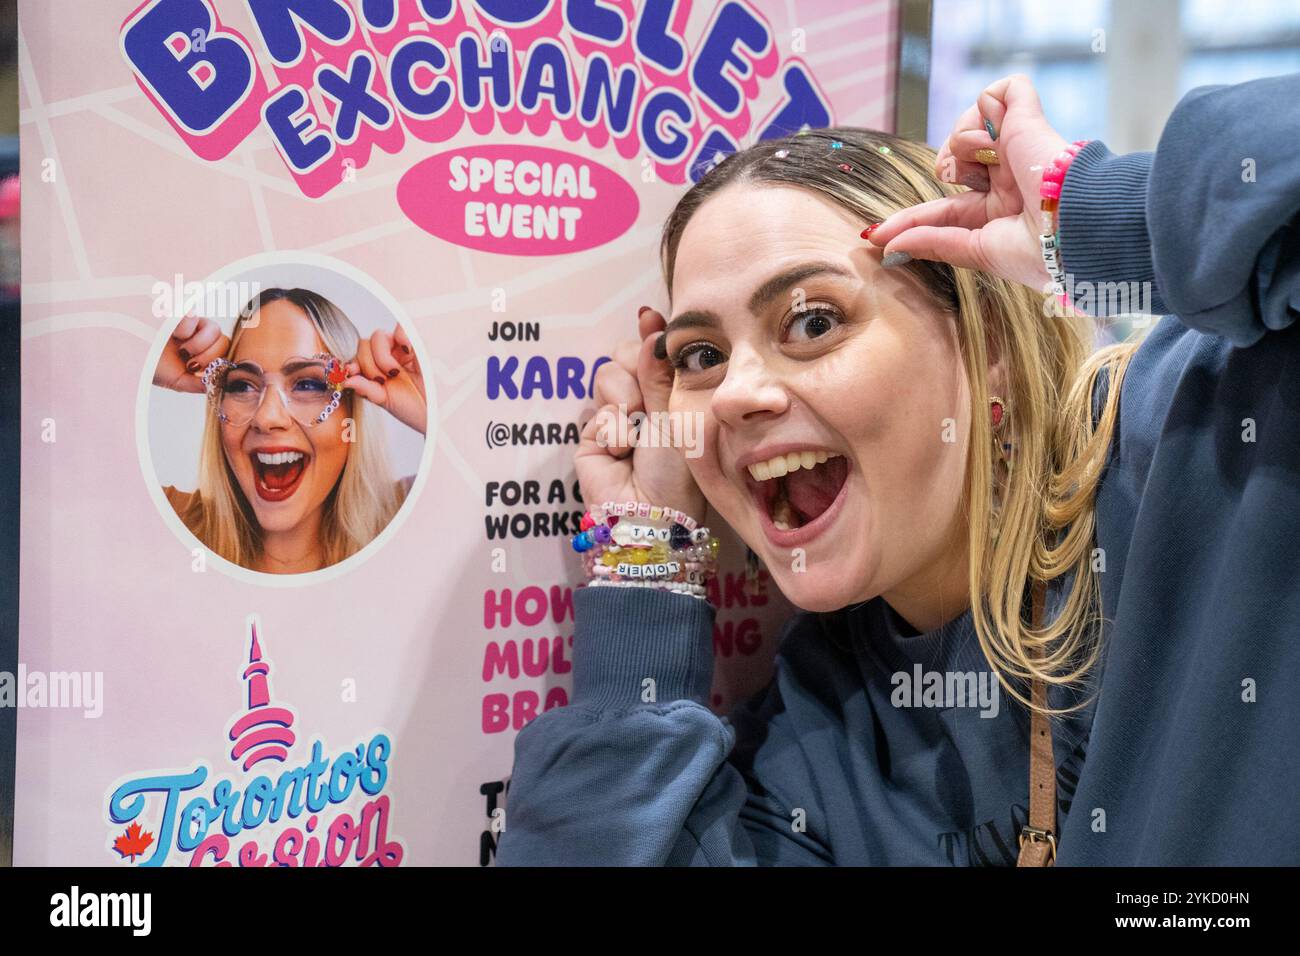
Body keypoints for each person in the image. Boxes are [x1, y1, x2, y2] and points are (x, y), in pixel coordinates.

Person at [496, 71, 1300, 865]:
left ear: (987, 344)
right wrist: (644, 556)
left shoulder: (1202, 439)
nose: (736, 392)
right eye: (702, 354)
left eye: (811, 320)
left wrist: (1084, 216)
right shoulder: (813, 744)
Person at [152, 287, 426, 574]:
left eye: (308, 384)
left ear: (354, 405)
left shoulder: (413, 512)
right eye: (242, 385)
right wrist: (145, 358)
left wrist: (430, 413)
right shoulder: (167, 521)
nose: (267, 417)